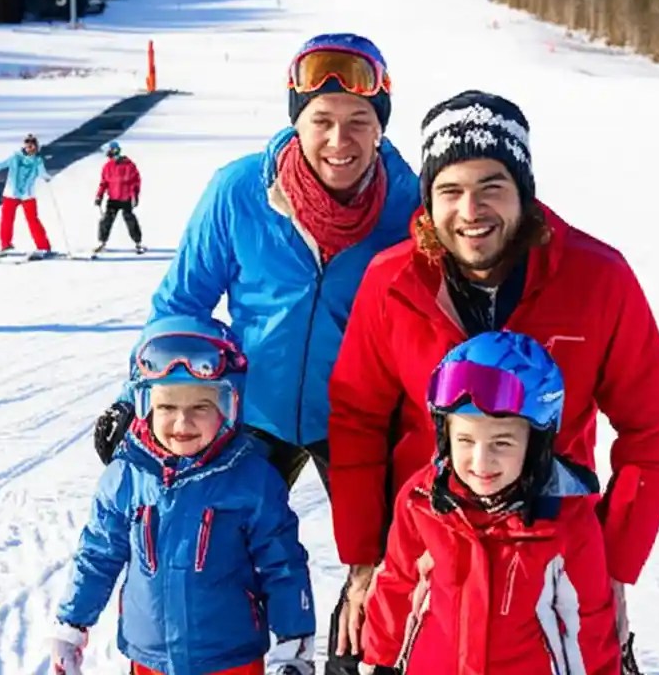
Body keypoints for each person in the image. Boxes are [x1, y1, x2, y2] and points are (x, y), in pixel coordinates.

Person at [325, 90, 659, 674]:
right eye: (450, 191)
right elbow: (356, 418)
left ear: (524, 192)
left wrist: (612, 567)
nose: (471, 211)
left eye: (491, 186)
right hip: (427, 551)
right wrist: (364, 561)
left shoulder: (598, 280)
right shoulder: (392, 281)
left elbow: (653, 428)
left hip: (551, 559)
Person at [91, 33, 421, 492]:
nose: (338, 139)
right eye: (320, 119)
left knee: (388, 559)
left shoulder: (411, 209)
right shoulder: (240, 190)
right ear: (297, 123)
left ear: (380, 127)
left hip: (361, 419)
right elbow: (181, 305)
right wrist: (137, 396)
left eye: (359, 121)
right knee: (225, 552)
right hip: (255, 412)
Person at [51, 314, 315, 675]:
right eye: (167, 407)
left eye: (200, 407)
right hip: (150, 658)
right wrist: (71, 626)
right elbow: (98, 554)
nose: (181, 423)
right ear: (145, 408)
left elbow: (283, 565)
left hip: (232, 657)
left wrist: (293, 644)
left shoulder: (252, 479)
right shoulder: (126, 477)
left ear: (228, 406)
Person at [358, 331, 621, 675]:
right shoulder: (421, 503)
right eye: (465, 440)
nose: (481, 462)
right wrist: (379, 663)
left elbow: (586, 623)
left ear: (536, 444)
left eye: (501, 443)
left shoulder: (566, 521)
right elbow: (398, 588)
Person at [0, 133, 54, 256]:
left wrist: (47, 178)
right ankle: (6, 244)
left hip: (28, 195)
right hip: (11, 193)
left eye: (32, 146)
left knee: (33, 220)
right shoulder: (15, 158)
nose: (30, 149)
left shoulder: (38, 161)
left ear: (37, 147)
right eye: (28, 146)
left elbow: (43, 173)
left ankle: (43, 246)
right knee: (6, 219)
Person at [94, 140, 145, 254]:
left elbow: (135, 182)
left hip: (125, 198)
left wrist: (134, 196)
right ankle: (102, 242)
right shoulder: (107, 167)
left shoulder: (129, 165)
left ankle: (138, 242)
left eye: (111, 154)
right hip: (113, 198)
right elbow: (104, 183)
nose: (111, 157)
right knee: (106, 220)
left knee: (130, 220)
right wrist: (99, 196)